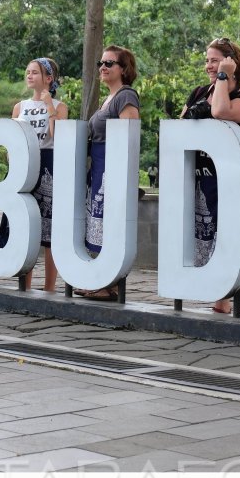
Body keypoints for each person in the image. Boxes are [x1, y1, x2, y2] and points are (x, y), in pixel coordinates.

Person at [182, 37, 240, 317]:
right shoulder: (198, 92)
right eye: (207, 60)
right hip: (205, 176)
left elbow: (220, 111)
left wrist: (223, 78)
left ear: (231, 64)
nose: (208, 66)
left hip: (238, 177)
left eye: (214, 61)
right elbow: (181, 124)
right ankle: (221, 301)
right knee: (209, 238)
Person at [82, 45, 140, 302]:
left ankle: (110, 284)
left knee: (110, 224)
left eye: (109, 63)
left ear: (124, 69)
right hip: (98, 167)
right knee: (99, 223)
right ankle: (101, 281)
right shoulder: (108, 98)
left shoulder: (126, 96)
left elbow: (128, 136)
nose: (103, 68)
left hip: (111, 168)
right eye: (100, 63)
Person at [13, 57, 67, 291]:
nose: (29, 75)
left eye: (35, 72)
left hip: (48, 163)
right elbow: (13, 139)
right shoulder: (20, 107)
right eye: (28, 72)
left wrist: (49, 107)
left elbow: (58, 137)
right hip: (25, 164)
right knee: (25, 227)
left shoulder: (60, 106)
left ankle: (49, 287)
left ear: (48, 78)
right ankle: (24, 284)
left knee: (49, 229)